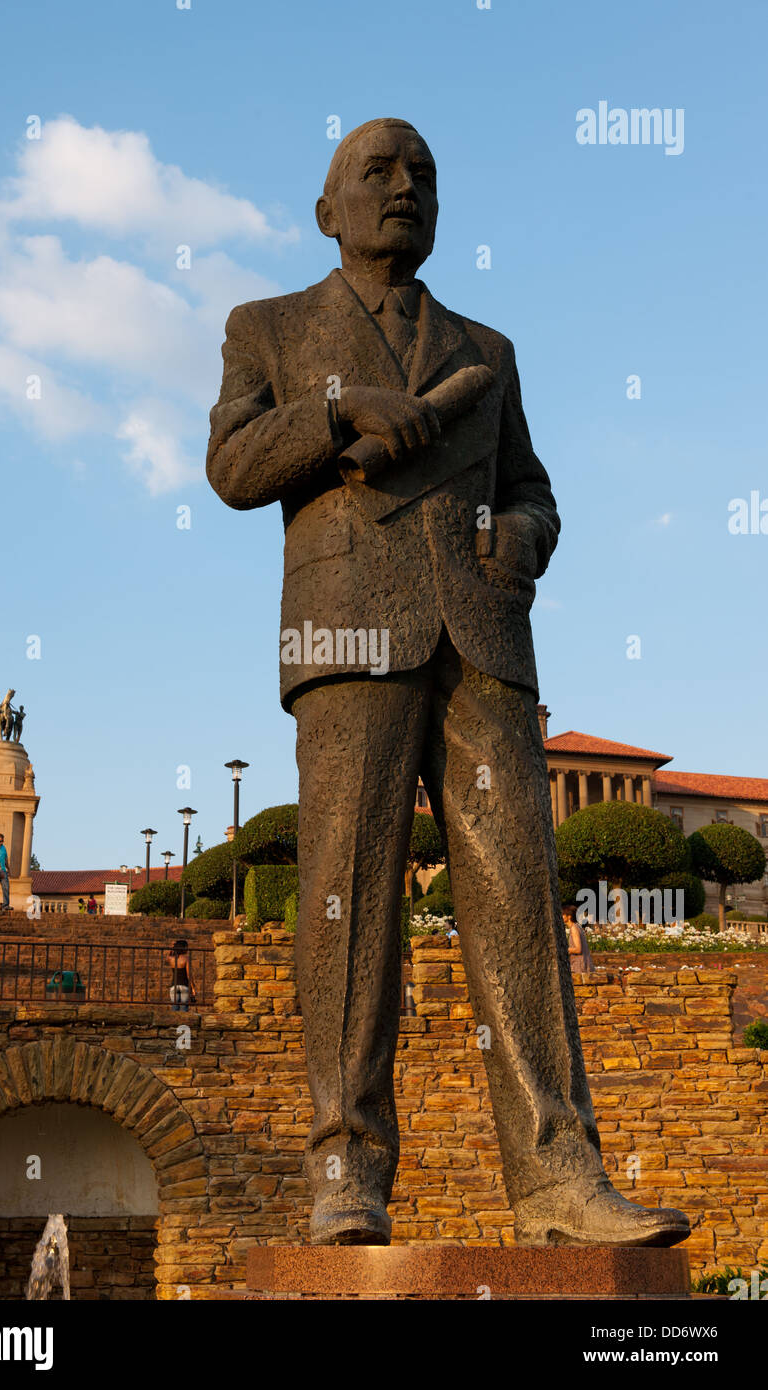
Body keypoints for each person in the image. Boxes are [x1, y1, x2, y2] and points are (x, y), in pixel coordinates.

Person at [207, 117, 689, 1249]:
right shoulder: (267, 328)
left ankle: (559, 1179)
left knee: (519, 894)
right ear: (327, 209)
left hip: (482, 640)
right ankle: (344, 1173)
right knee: (349, 898)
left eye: (421, 173)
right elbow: (231, 467)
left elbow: (533, 491)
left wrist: (522, 540)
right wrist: (335, 414)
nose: (403, 186)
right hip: (345, 637)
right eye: (376, 171)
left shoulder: (488, 350)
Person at [167, 939, 197, 1011]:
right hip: (184, 985)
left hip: (174, 986)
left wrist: (172, 947)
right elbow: (189, 974)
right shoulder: (186, 959)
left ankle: (174, 1022)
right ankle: (183, 1022)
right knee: (184, 1008)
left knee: (174, 1007)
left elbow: (168, 955)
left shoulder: (171, 959)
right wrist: (193, 988)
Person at [564, 903, 594, 974]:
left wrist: (563, 949)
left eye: (563, 914)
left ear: (569, 916)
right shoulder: (577, 926)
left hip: (580, 966)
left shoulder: (574, 928)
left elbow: (578, 949)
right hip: (582, 964)